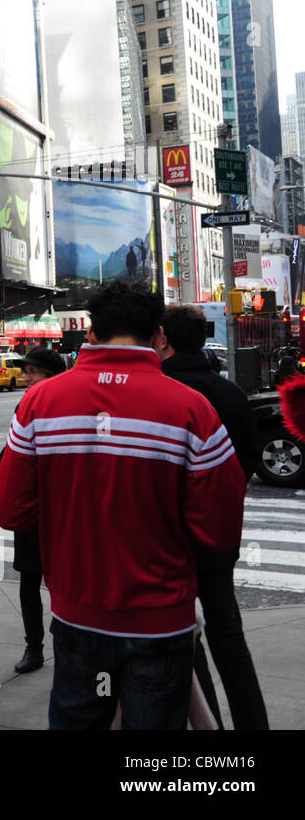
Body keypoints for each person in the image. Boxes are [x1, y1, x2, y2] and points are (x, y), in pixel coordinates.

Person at [0, 282, 246, 730]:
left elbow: (8, 508)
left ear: (91, 329)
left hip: (77, 617)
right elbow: (221, 531)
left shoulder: (39, 403)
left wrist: (64, 522)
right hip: (161, 623)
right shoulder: (193, 410)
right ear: (157, 334)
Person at [155, 303, 268, 730]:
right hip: (221, 534)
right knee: (228, 634)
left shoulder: (162, 392)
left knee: (187, 637)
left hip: (170, 538)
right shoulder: (229, 392)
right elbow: (250, 459)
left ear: (162, 338)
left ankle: (210, 724)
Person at [0, 347, 66, 674]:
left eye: (33, 372)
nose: (26, 377)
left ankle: (67, 648)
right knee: (29, 582)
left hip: (63, 512)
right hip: (31, 512)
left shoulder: (69, 405)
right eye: (25, 371)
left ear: (52, 375)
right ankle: (34, 647)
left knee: (64, 585)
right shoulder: (25, 404)